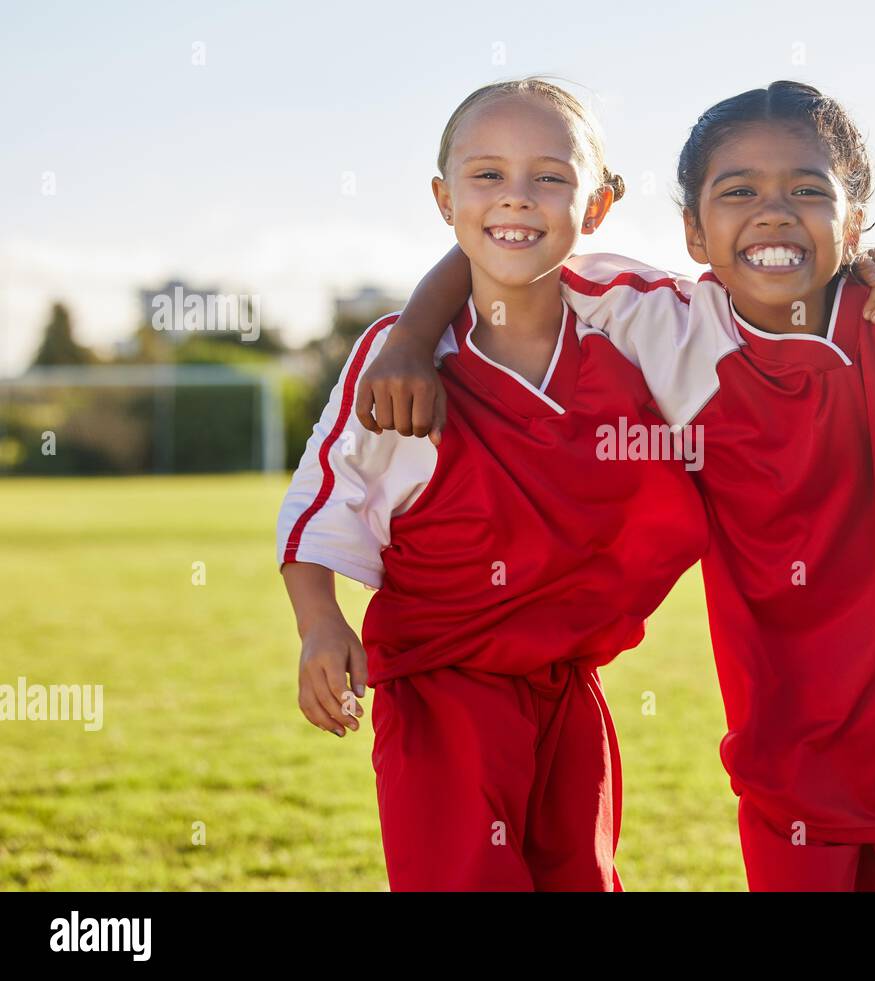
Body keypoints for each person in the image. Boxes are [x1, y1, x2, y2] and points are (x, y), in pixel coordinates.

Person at [362, 80, 875, 891]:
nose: (775, 211)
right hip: (790, 734)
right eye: (738, 190)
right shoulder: (671, 327)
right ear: (692, 229)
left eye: (809, 191)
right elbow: (506, 246)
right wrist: (410, 337)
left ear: (854, 224)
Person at [276, 78, 709, 890]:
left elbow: (759, 313)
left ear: (599, 205)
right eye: (486, 176)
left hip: (570, 681)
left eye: (550, 176)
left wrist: (866, 267)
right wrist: (320, 623)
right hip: (444, 688)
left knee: (580, 875)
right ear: (444, 199)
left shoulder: (636, 321)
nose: (517, 198)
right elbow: (320, 498)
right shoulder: (400, 361)